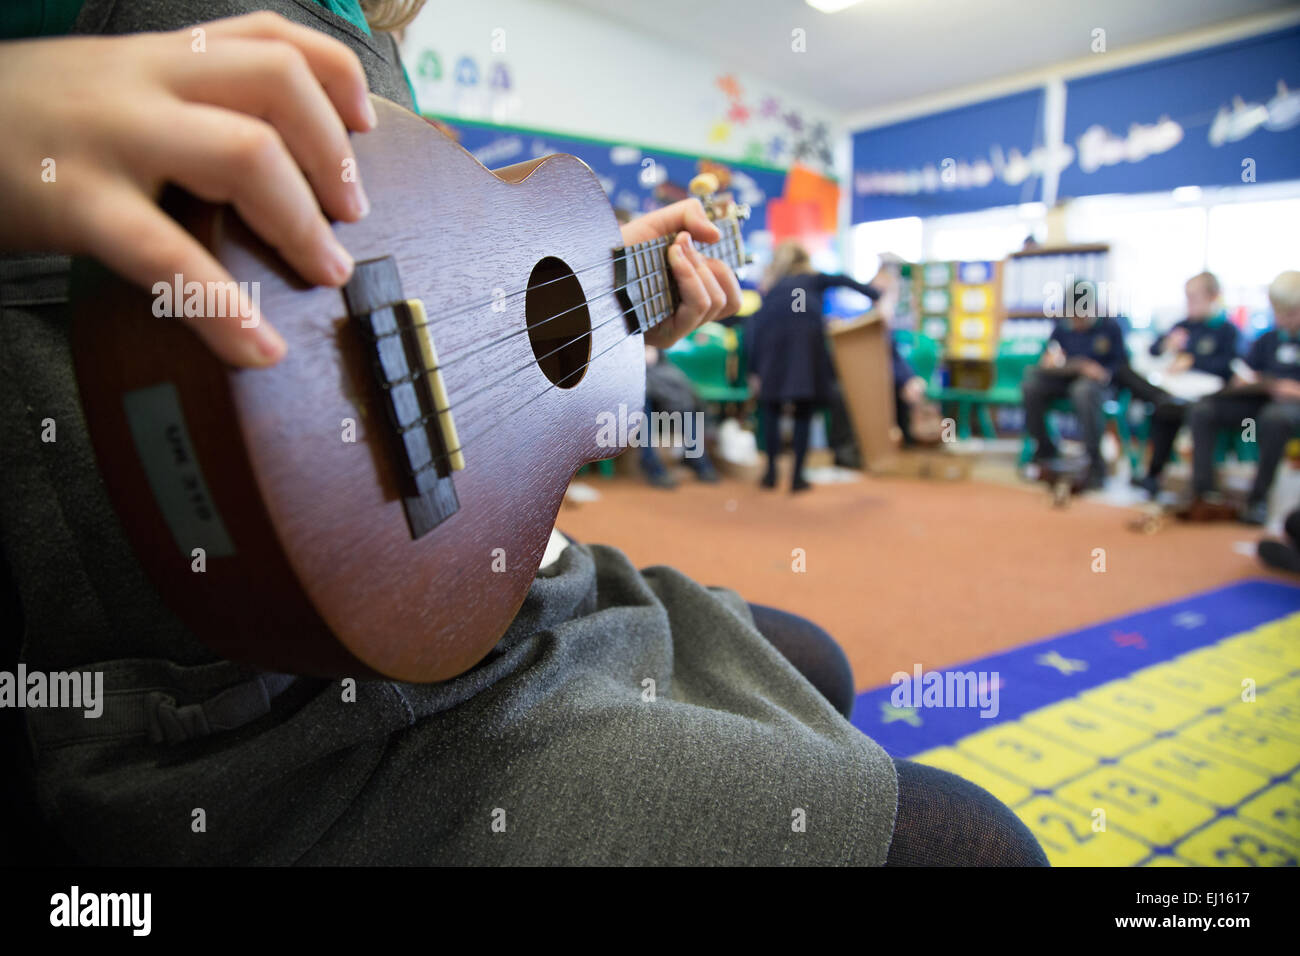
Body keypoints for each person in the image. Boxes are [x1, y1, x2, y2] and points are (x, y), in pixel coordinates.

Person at [0, 3, 1047, 867]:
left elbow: (430, 310)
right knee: (978, 848)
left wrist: (607, 285)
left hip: (465, 589)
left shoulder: (371, 32)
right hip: (253, 703)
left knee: (813, 656)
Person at [747, 241, 891, 491]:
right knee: (803, 412)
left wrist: (753, 369)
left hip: (773, 353)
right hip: (804, 353)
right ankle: (797, 477)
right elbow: (843, 280)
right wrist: (875, 295)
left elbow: (754, 330)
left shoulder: (774, 288)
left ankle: (770, 473)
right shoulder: (812, 280)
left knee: (771, 411)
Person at [1184, 271, 1300, 525]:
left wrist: (1293, 389)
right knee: (1202, 410)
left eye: (1289, 314)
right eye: (1278, 313)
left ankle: (1257, 500)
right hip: (1258, 400)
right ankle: (1203, 492)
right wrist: (1244, 380)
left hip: (1289, 408)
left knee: (1274, 419)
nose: (1281, 320)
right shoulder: (1268, 339)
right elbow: (1245, 369)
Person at [1136, 272, 1240, 497]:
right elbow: (1153, 350)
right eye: (1187, 298)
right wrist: (1167, 344)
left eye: (1194, 298)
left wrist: (1193, 360)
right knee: (1165, 409)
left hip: (1209, 395)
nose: (1189, 304)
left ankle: (1202, 486)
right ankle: (1153, 475)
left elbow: (1229, 367)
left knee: (1199, 414)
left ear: (1213, 297)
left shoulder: (1226, 330)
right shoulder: (1183, 326)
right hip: (1178, 391)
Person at [1021, 279, 1129, 489]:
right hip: (1064, 380)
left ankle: (1094, 462)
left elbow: (1123, 366)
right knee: (1031, 387)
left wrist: (1102, 372)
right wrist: (1050, 361)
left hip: (1097, 386)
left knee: (1083, 390)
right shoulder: (1062, 328)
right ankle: (1045, 451)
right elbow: (1052, 354)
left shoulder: (1110, 327)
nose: (1076, 320)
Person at [637, 345, 720, 488]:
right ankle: (651, 465)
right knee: (641, 402)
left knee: (681, 396)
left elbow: (655, 354)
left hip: (658, 374)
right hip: (633, 379)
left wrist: (653, 351)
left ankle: (698, 460)